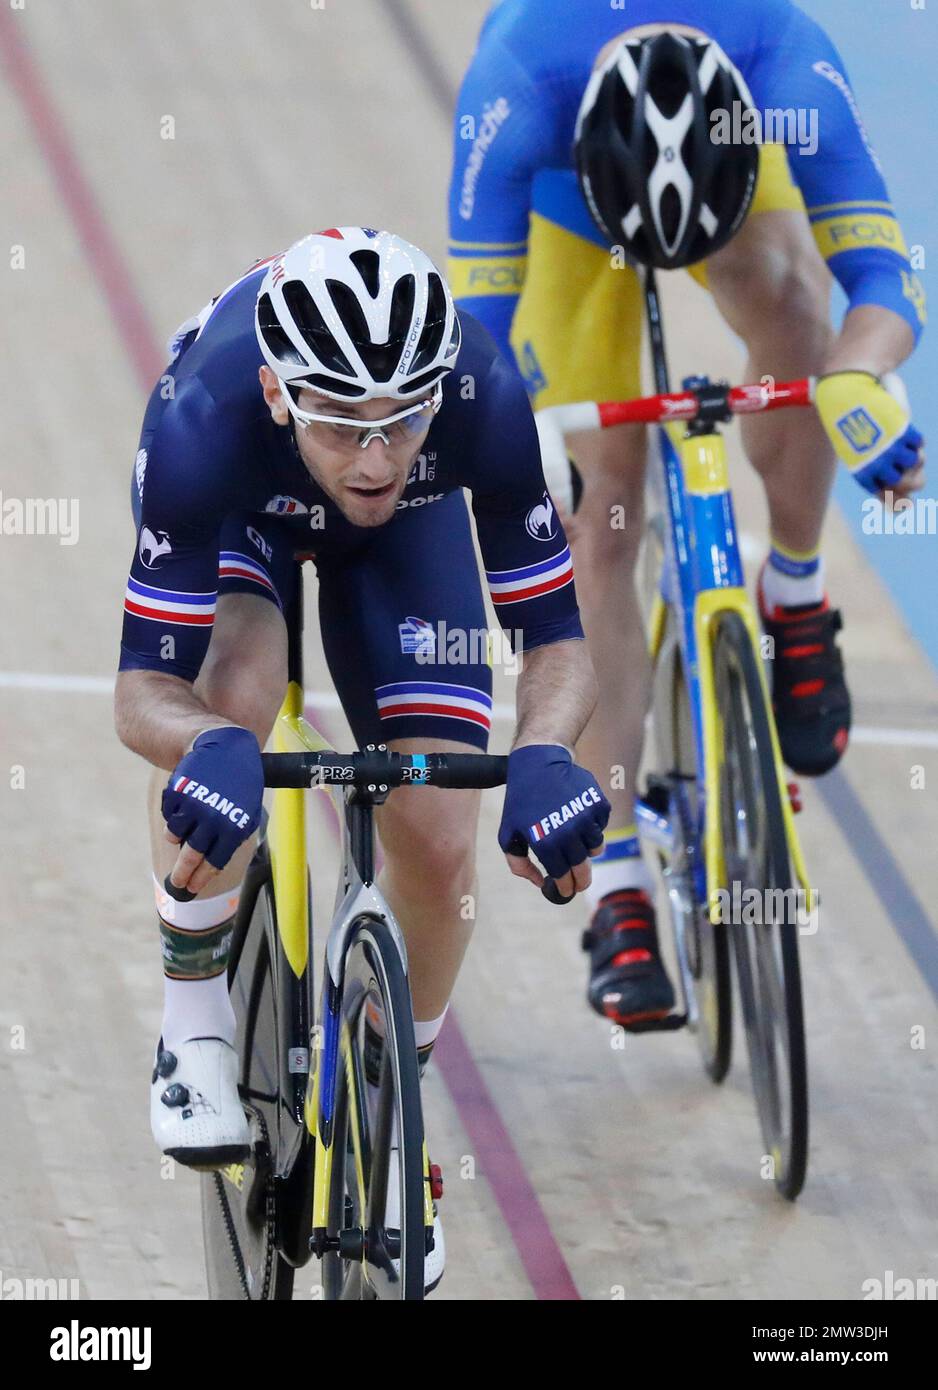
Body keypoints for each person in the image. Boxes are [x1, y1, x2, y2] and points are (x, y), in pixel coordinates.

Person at [114, 226, 610, 1292]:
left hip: (404, 542)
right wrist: (205, 745)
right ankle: (191, 1019)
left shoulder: (478, 391)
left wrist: (546, 755)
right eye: (343, 424)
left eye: (399, 421)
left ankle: (391, 1112)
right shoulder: (204, 417)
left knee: (436, 836)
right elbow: (138, 690)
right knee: (238, 688)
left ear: (436, 392)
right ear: (279, 391)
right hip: (243, 522)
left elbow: (557, 643)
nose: (375, 456)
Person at [447, 0, 925, 1030]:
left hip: (737, 187)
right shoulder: (518, 74)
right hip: (571, 213)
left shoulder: (786, 64)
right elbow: (473, 336)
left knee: (797, 317)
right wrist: (499, 448)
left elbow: (882, 282)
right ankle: (617, 876)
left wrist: (857, 377)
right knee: (602, 509)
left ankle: (792, 587)